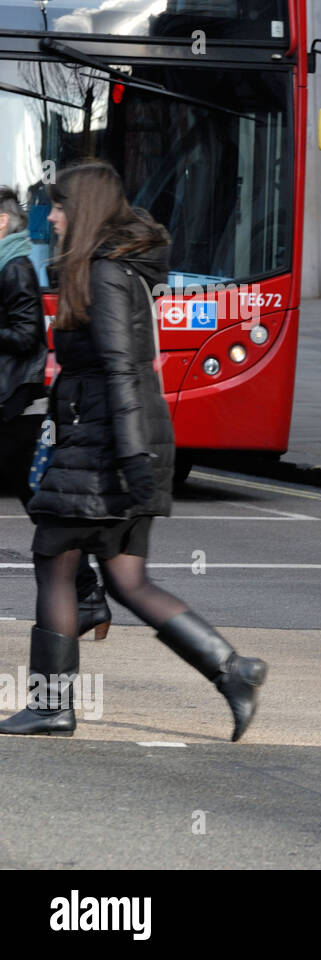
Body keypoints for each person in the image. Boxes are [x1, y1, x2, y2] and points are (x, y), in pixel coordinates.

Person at [0, 162, 266, 739]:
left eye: (62, 207)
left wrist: (131, 463)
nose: (55, 217)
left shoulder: (104, 274)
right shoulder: (108, 269)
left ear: (86, 209)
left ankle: (51, 705)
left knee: (55, 565)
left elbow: (124, 371)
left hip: (104, 446)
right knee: (126, 580)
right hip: (110, 441)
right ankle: (232, 670)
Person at [0, 186, 113, 642]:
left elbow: (26, 334)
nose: (56, 218)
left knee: (41, 508)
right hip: (14, 404)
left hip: (13, 403)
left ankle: (87, 597)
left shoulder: (16, 267)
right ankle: (88, 596)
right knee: (38, 503)